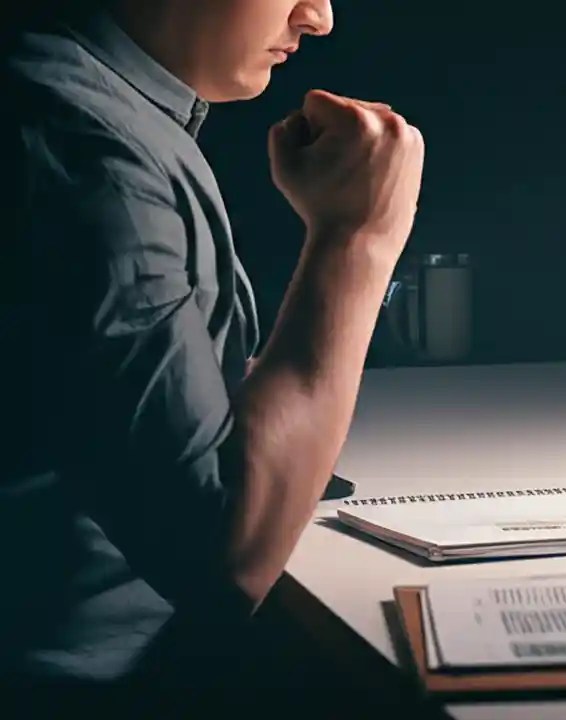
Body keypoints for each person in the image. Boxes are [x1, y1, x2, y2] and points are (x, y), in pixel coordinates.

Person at [0, 0, 435, 713]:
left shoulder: (99, 107)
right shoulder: (85, 145)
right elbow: (227, 562)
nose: (318, 15)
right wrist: (358, 239)